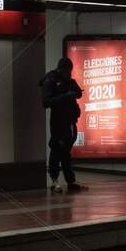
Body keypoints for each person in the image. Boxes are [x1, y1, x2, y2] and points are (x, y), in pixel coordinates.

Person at [40, 57, 87, 193]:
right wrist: (65, 96)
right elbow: (45, 102)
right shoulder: (51, 80)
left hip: (70, 121)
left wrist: (71, 90)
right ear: (61, 69)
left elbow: (78, 93)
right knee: (56, 149)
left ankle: (70, 181)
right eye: (67, 71)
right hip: (58, 121)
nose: (69, 74)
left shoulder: (68, 80)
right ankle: (54, 181)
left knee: (66, 151)